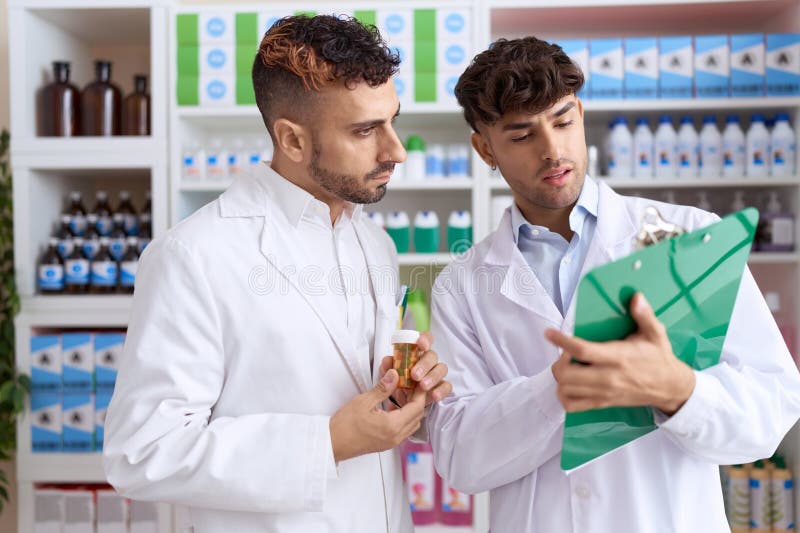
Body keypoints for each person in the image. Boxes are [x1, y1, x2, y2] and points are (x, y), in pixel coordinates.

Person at [427, 36, 800, 533]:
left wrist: (678, 390)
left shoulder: (687, 235)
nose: (552, 150)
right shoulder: (462, 286)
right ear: (484, 147)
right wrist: (555, 388)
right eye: (522, 135)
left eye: (562, 121)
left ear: (580, 113)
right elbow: (461, 458)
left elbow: (772, 411)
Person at [103, 15, 451, 533]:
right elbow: (142, 452)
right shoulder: (193, 255)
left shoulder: (373, 242)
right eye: (364, 131)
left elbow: (354, 396)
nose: (395, 150)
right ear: (291, 140)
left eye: (392, 121)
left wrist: (402, 390)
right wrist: (328, 442)